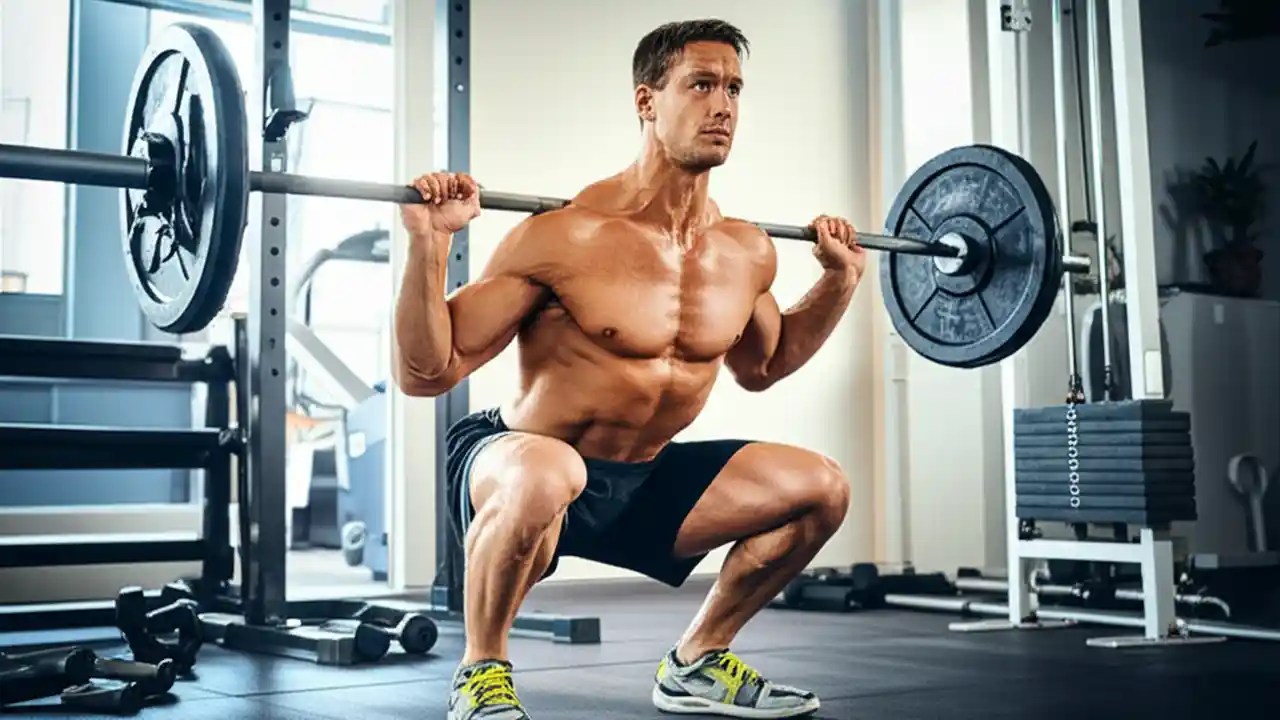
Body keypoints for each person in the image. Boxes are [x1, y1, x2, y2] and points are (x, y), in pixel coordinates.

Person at [394, 18, 865, 720]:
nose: (724, 105)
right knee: (553, 471)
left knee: (821, 488)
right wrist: (430, 247)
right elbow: (427, 371)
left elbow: (764, 366)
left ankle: (697, 661)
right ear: (647, 101)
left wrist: (839, 281)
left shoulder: (744, 250)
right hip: (523, 464)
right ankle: (481, 671)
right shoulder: (566, 234)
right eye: (701, 84)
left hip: (641, 480)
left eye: (734, 87)